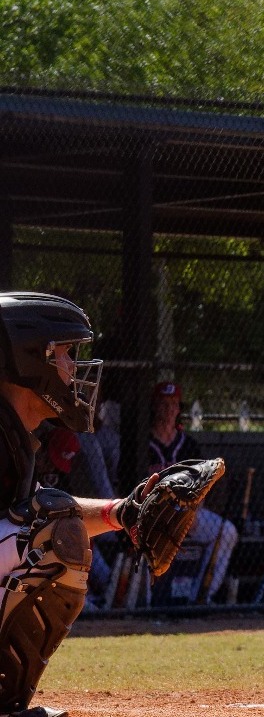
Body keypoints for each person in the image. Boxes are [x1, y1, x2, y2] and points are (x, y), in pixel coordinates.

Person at [0, 291, 211, 715]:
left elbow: (28, 508)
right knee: (51, 533)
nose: (72, 368)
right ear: (28, 358)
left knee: (49, 519)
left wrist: (124, 513)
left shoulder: (13, 430)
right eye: (63, 354)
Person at [142, 380, 239, 604]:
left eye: (173, 405)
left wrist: (192, 513)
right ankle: (147, 602)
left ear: (179, 409)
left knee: (227, 532)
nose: (168, 410)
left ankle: (202, 596)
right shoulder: (142, 443)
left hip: (187, 512)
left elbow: (202, 484)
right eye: (164, 404)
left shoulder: (189, 445)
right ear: (155, 406)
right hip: (152, 516)